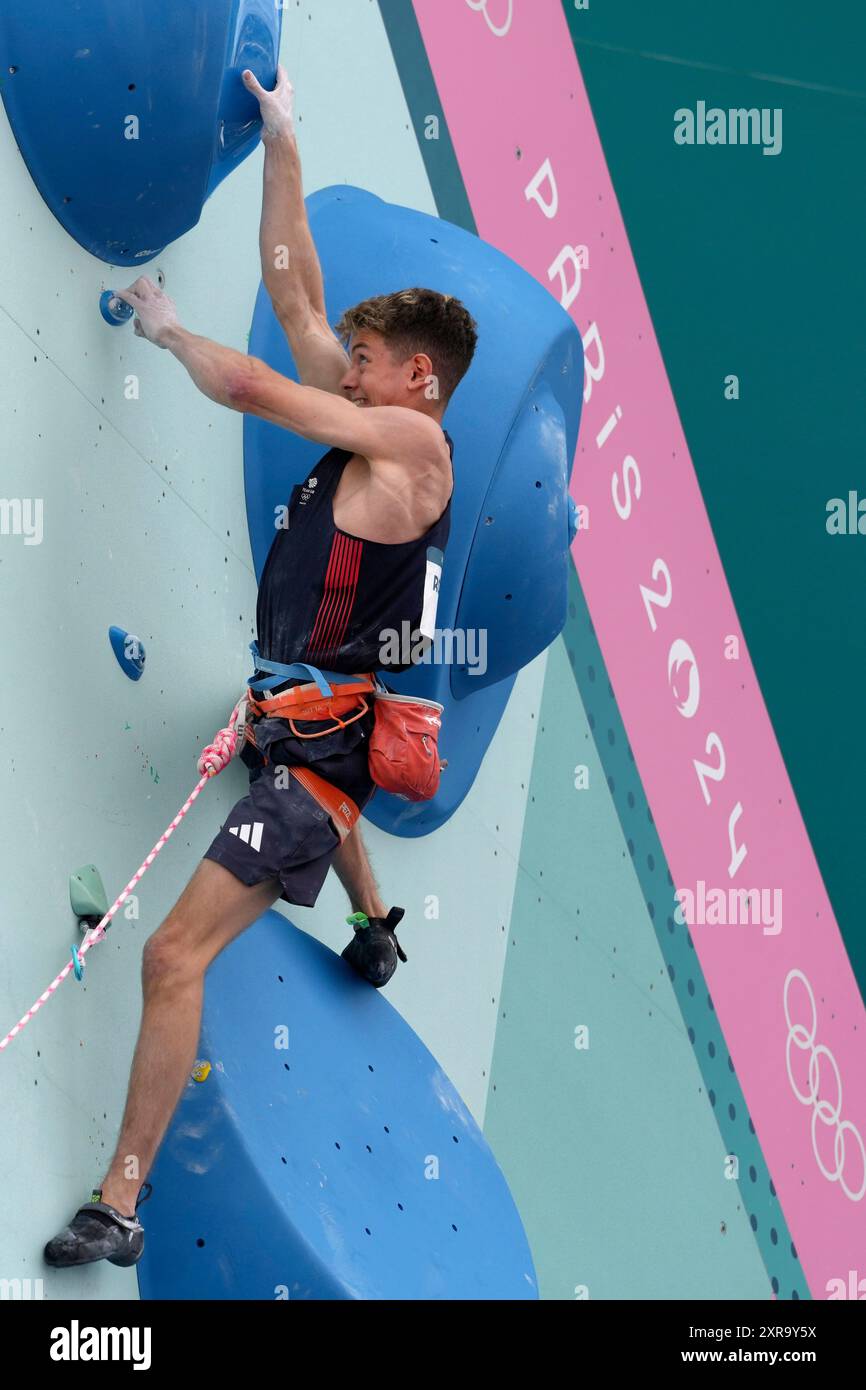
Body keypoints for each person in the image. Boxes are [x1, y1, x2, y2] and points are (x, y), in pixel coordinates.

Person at [44, 65, 477, 1269]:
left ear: (416, 380)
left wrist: (169, 327)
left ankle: (118, 1201)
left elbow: (245, 377)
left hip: (321, 748)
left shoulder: (414, 447)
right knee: (304, 766)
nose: (342, 358)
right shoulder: (369, 415)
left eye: (366, 353)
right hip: (307, 716)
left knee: (171, 951)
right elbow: (294, 293)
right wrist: (283, 137)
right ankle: (377, 924)